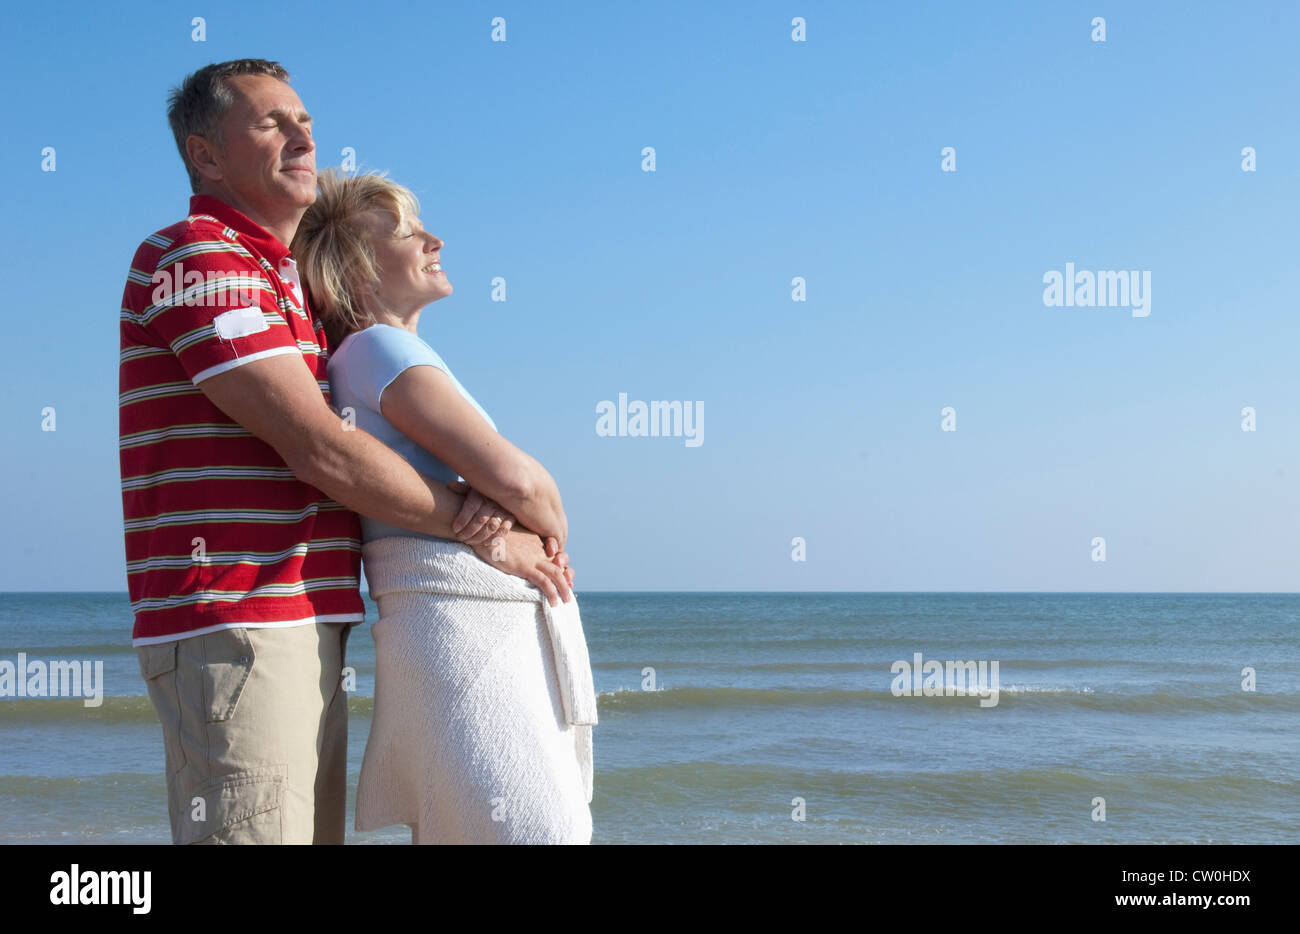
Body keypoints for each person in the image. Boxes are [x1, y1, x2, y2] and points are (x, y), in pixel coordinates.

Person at [119, 59, 573, 845]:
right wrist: (483, 526)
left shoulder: (288, 289)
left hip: (303, 617)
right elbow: (319, 449)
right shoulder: (198, 256)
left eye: (306, 121)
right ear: (205, 155)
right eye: (271, 122)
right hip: (240, 613)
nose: (304, 136)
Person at [291, 169, 597, 844]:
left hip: (452, 634)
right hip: (464, 635)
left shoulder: (367, 356)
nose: (435, 239)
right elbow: (523, 484)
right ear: (357, 270)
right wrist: (529, 514)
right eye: (406, 231)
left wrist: (501, 510)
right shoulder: (380, 348)